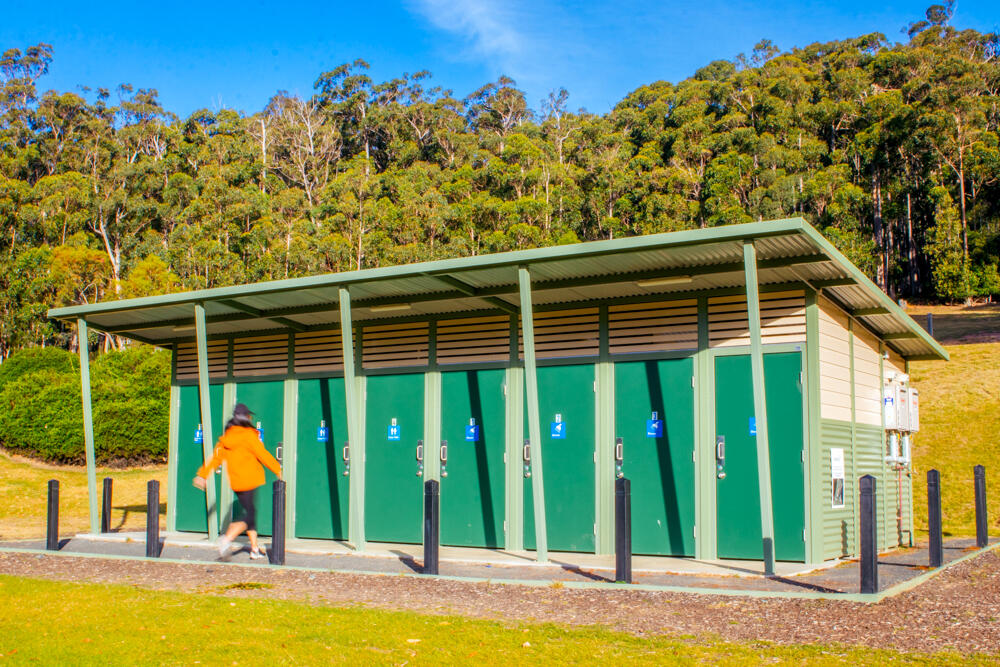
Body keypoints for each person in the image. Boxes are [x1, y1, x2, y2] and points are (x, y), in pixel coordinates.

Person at [193, 403, 281, 561]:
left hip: (236, 482)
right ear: (246, 418)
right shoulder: (249, 435)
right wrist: (278, 469)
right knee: (249, 516)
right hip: (250, 480)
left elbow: (216, 458)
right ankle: (226, 539)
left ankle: (254, 549)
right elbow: (262, 454)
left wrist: (203, 475)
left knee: (250, 512)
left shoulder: (227, 437)